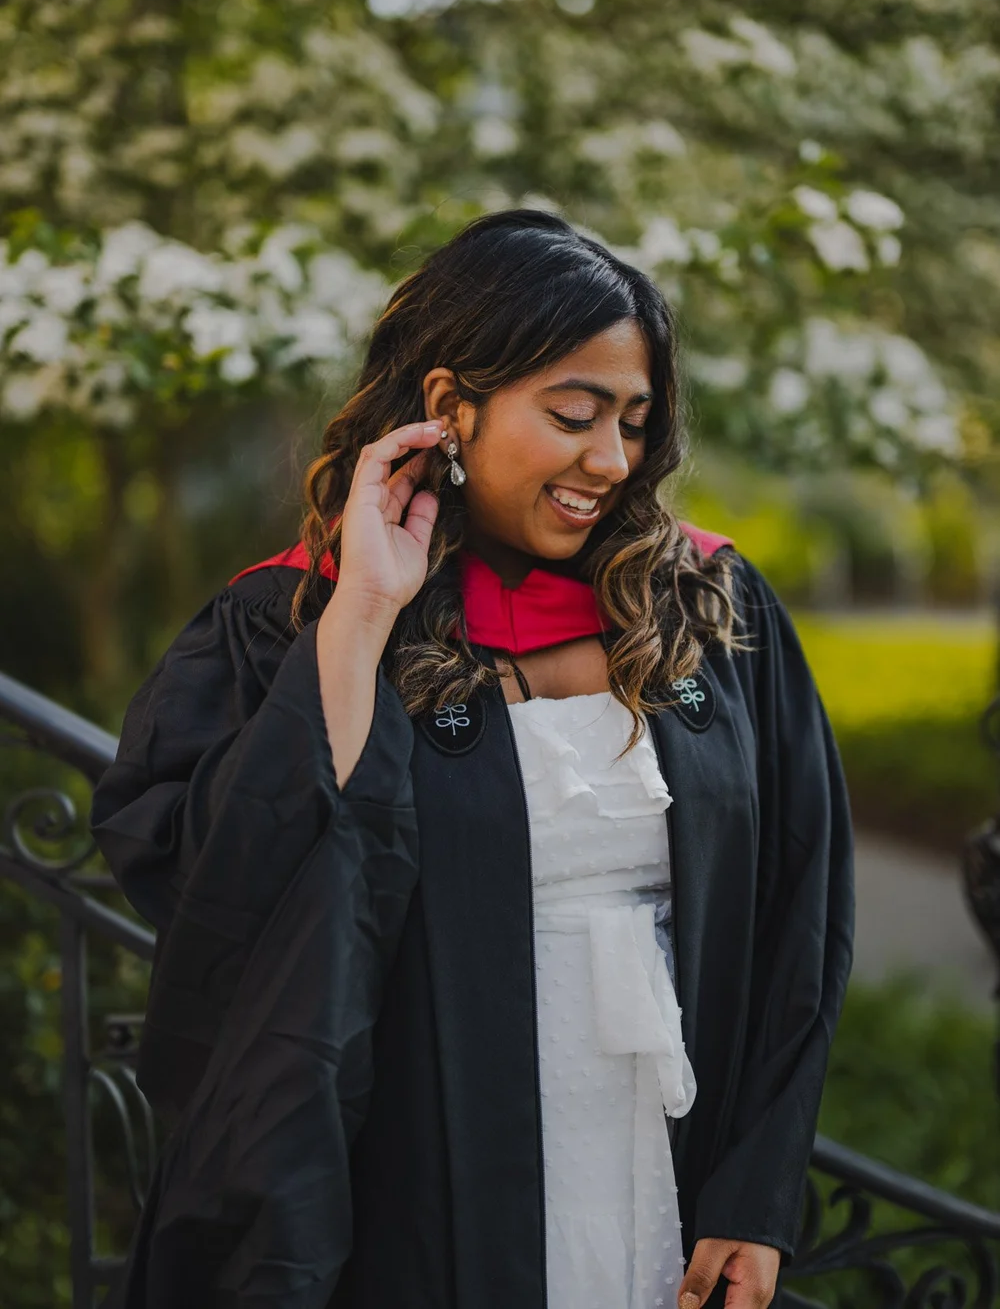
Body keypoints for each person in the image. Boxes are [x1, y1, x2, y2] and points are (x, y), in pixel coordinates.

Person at [91, 207, 855, 1309]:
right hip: (417, 1187)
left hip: (669, 1172)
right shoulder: (294, 615)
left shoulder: (707, 606)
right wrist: (359, 613)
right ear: (451, 404)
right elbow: (224, 884)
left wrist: (755, 1195)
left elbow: (804, 908)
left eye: (634, 422)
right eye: (573, 414)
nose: (610, 460)